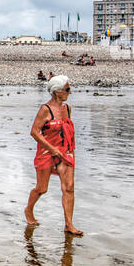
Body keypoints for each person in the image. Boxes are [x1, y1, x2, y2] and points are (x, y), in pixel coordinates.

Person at [25, 74, 82, 236]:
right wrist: (51, 148)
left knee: (69, 188)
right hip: (47, 152)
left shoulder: (67, 109)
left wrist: (65, 150)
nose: (70, 92)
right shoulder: (45, 110)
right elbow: (35, 132)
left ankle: (69, 224)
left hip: (66, 152)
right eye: (67, 89)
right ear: (57, 92)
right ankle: (28, 209)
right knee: (42, 188)